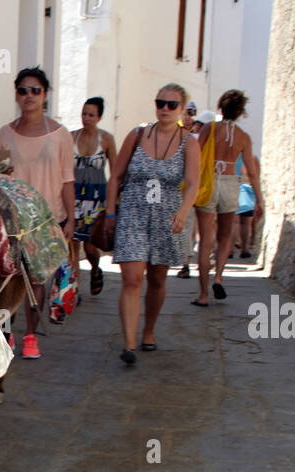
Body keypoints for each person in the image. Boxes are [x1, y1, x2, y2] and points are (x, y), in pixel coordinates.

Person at [103, 83, 200, 365]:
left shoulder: (189, 142)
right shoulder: (137, 134)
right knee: (132, 279)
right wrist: (110, 213)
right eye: (160, 103)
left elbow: (193, 183)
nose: (165, 109)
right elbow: (116, 177)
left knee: (157, 279)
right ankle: (129, 344)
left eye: (172, 105)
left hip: (167, 216)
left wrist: (183, 211)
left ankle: (148, 331)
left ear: (182, 109)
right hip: (133, 213)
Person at [0, 67, 76, 359]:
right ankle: (5, 335)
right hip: (11, 216)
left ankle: (30, 335)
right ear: (16, 95)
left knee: (36, 279)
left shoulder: (60, 135)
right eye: (23, 90)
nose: (28, 96)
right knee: (5, 276)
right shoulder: (5, 133)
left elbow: (68, 179)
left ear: (45, 94)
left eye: (35, 90)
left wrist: (71, 219)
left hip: (46, 216)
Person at [192, 89, 263, 306]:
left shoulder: (209, 129)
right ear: (241, 112)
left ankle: (203, 294)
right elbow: (251, 171)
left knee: (205, 240)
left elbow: (194, 156)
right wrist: (259, 199)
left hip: (210, 182)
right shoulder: (243, 137)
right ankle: (219, 277)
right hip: (232, 182)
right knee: (224, 237)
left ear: (221, 108)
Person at [69, 97, 118, 296]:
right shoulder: (71, 137)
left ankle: (95, 268)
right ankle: (75, 290)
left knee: (90, 247)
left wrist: (114, 202)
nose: (86, 118)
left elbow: (116, 171)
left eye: (91, 115)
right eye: (84, 114)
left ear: (99, 117)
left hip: (96, 198)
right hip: (73, 196)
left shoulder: (106, 139)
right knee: (72, 245)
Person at [175, 107, 212, 279]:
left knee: (187, 225)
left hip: (189, 187)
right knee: (206, 230)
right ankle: (206, 264)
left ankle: (186, 263)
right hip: (206, 189)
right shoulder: (215, 142)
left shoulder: (190, 139)